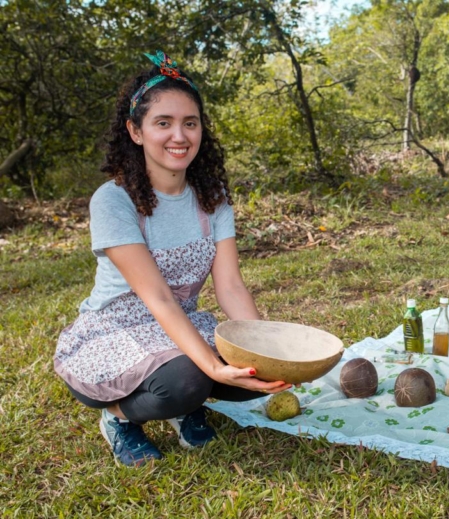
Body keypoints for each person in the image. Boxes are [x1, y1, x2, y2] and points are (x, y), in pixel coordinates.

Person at [54, 50, 292, 467]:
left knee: (252, 376)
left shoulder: (212, 196)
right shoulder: (113, 200)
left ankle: (187, 407)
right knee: (190, 379)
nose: (179, 136)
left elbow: (231, 285)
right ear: (136, 131)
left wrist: (265, 353)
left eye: (190, 123)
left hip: (176, 330)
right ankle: (119, 419)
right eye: (163, 123)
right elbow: (159, 298)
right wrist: (212, 370)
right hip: (116, 333)